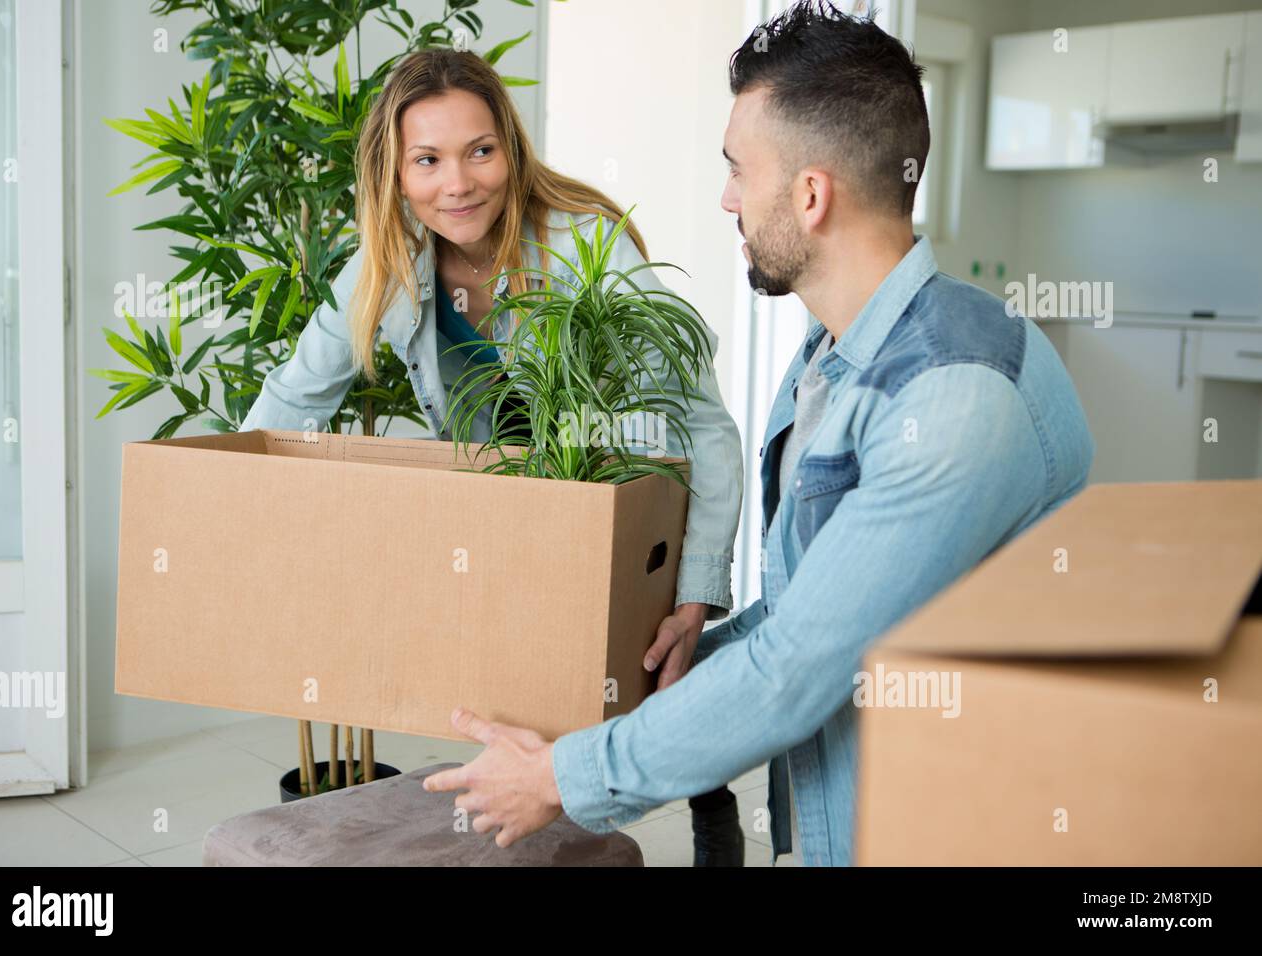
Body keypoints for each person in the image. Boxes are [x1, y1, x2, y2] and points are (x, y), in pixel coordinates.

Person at [422, 0, 1096, 866]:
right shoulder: (833, 356)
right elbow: (804, 612)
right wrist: (687, 659)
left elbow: (797, 671)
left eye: (740, 169)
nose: (727, 197)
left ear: (810, 194)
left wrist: (562, 776)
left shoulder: (955, 396)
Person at [237, 50, 749, 864]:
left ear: (510, 147)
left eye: (480, 150)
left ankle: (707, 794)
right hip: (501, 530)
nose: (458, 183)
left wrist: (693, 597)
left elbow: (700, 423)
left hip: (596, 515)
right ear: (396, 174)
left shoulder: (587, 245)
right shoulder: (388, 267)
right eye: (428, 160)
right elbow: (293, 399)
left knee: (625, 725)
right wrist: (221, 498)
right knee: (516, 758)